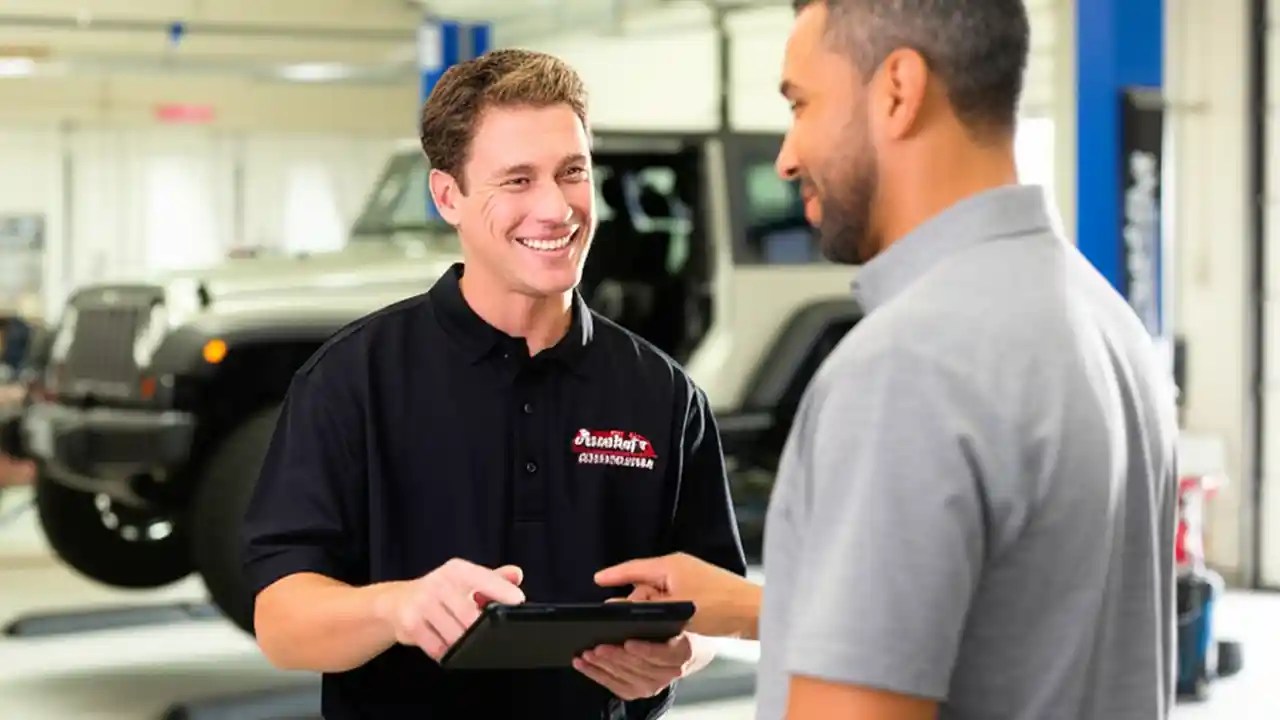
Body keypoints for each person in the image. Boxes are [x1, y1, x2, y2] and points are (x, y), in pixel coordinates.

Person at [595, 1, 1179, 719]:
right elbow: (1013, 629)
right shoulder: (1104, 320)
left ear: (898, 90)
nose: (786, 156)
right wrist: (751, 609)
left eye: (801, 104)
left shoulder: (907, 364)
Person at [243, 48, 747, 719]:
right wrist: (399, 606)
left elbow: (714, 605)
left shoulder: (665, 395)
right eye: (516, 180)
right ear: (448, 195)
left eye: (573, 173)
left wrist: (682, 652)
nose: (556, 208)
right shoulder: (351, 381)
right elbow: (281, 620)